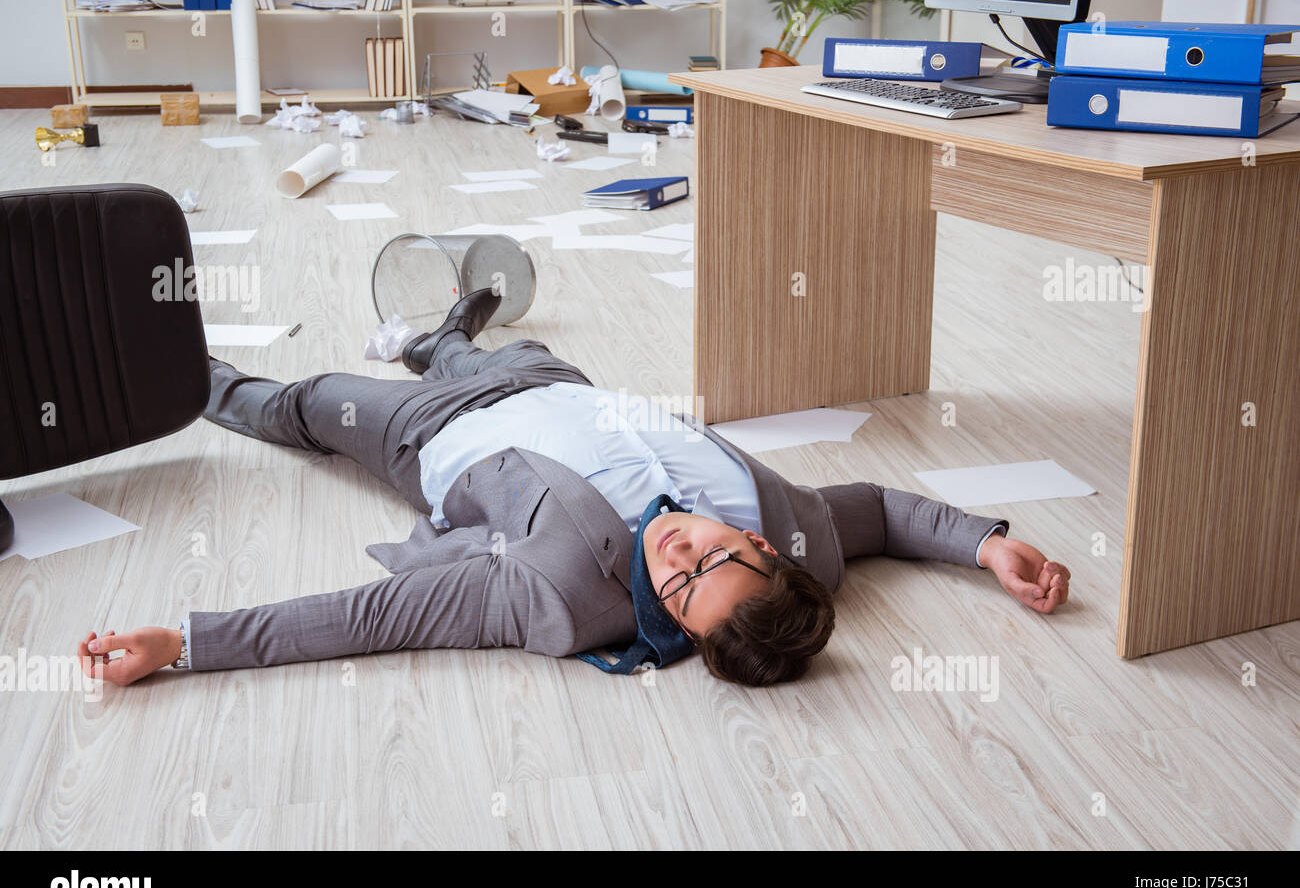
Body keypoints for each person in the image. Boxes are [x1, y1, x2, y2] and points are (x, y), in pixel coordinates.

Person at [78, 289, 1070, 688]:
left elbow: (369, 618)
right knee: (501, 352)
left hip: (433, 433)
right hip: (552, 387)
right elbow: (889, 512)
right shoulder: (799, 532)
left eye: (680, 590)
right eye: (711, 557)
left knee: (304, 403)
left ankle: (173, 370)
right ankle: (444, 336)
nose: (675, 556)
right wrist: (987, 545)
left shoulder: (557, 591)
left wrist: (186, 645)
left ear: (672, 623)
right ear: (761, 550)